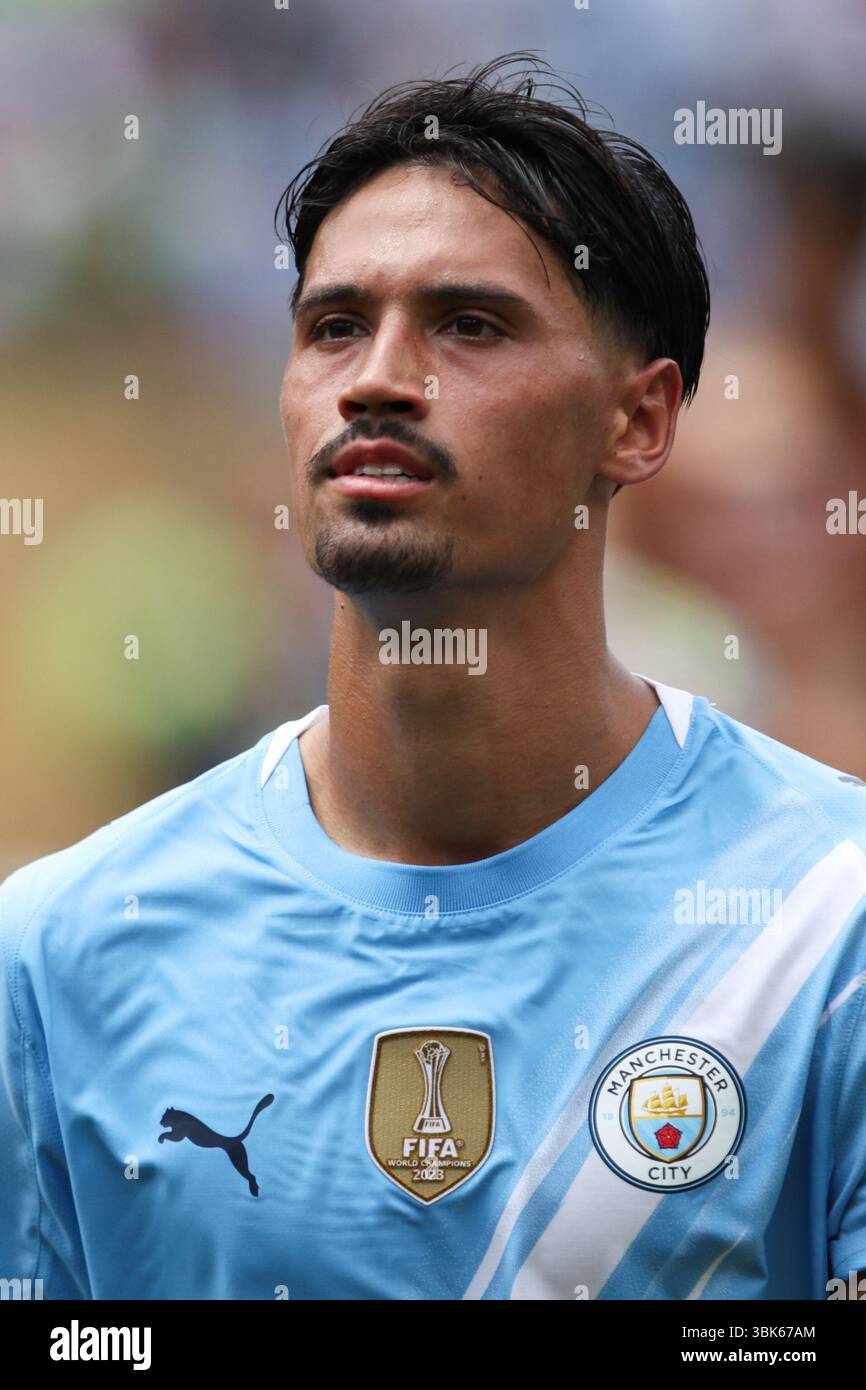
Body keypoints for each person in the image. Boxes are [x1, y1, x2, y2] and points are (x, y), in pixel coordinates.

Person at [1, 54, 864, 1302]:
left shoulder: (824, 927)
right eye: (334, 325)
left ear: (639, 418)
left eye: (469, 324)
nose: (376, 378)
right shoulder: (63, 949)